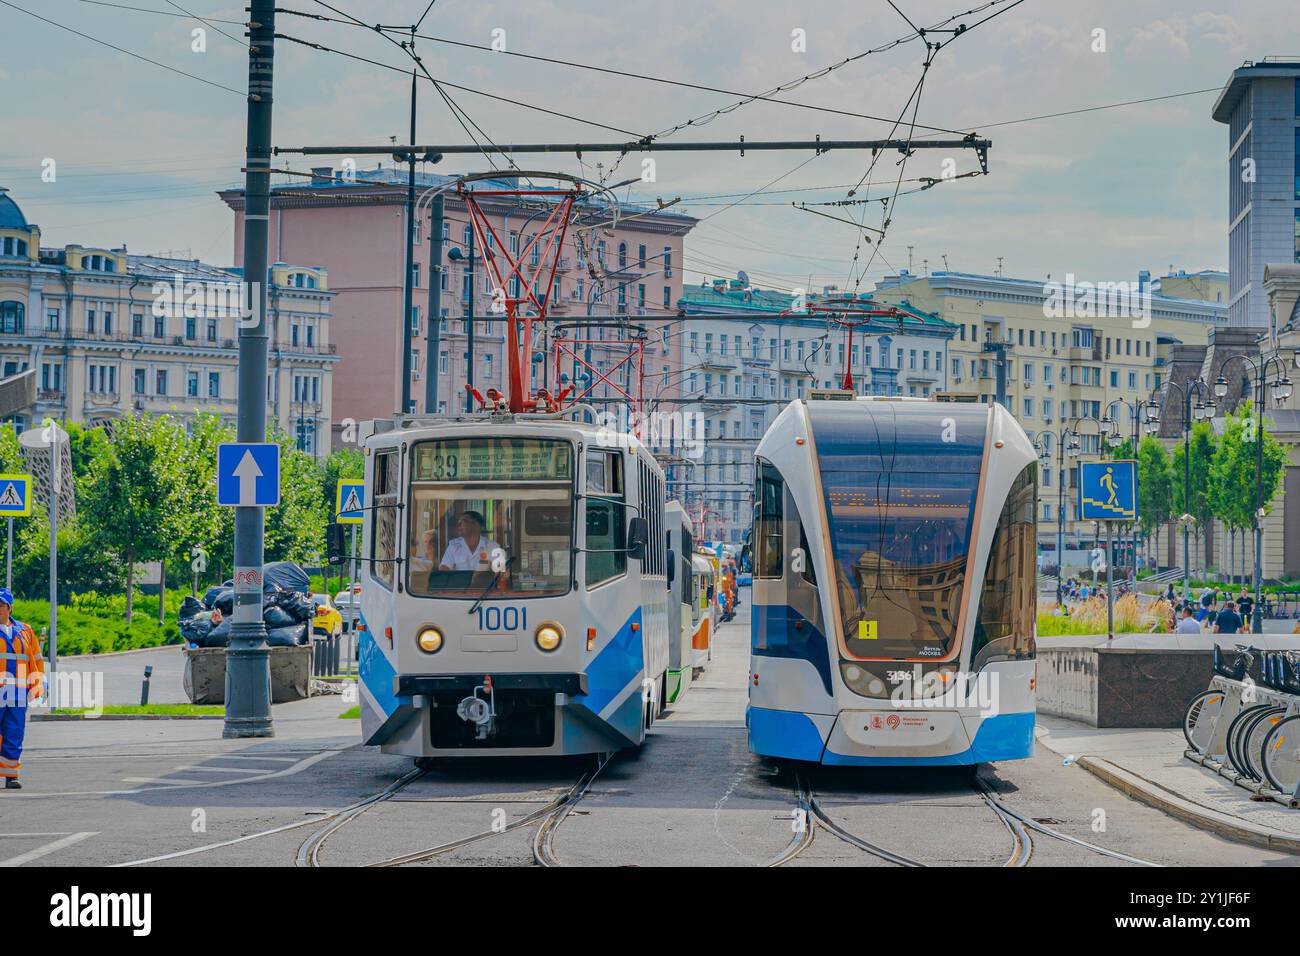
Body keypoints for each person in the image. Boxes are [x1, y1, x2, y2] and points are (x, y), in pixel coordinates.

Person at [0, 588, 44, 790]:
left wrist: (38, 683)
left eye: (1, 605)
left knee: (14, 733)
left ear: (10, 608)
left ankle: (11, 775)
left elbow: (35, 659)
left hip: (18, 692)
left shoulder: (25, 631)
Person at [436, 510, 502, 573]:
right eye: (458, 522)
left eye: (463, 522)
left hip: (484, 584)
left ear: (476, 525)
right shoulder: (454, 545)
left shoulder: (492, 546)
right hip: (459, 584)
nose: (458, 525)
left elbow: (500, 572)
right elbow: (444, 567)